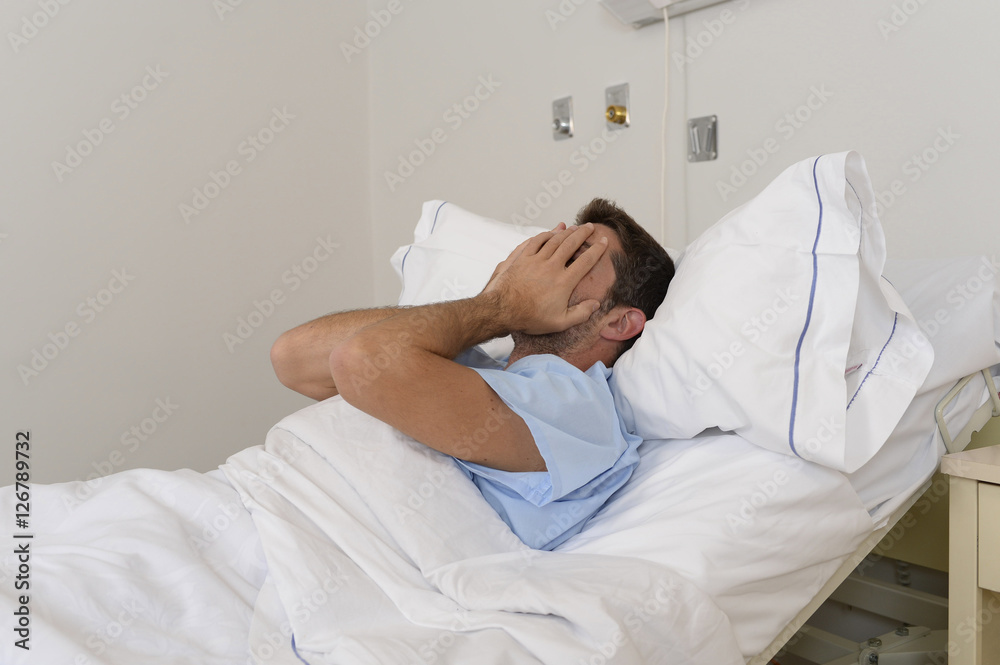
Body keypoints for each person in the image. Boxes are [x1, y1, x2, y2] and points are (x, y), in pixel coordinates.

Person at [269, 198, 675, 549]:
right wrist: (491, 302)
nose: (547, 264)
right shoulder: (479, 366)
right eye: (552, 247)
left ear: (620, 323)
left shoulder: (578, 409)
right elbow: (293, 358)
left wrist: (504, 305)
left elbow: (361, 361)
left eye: (577, 258)